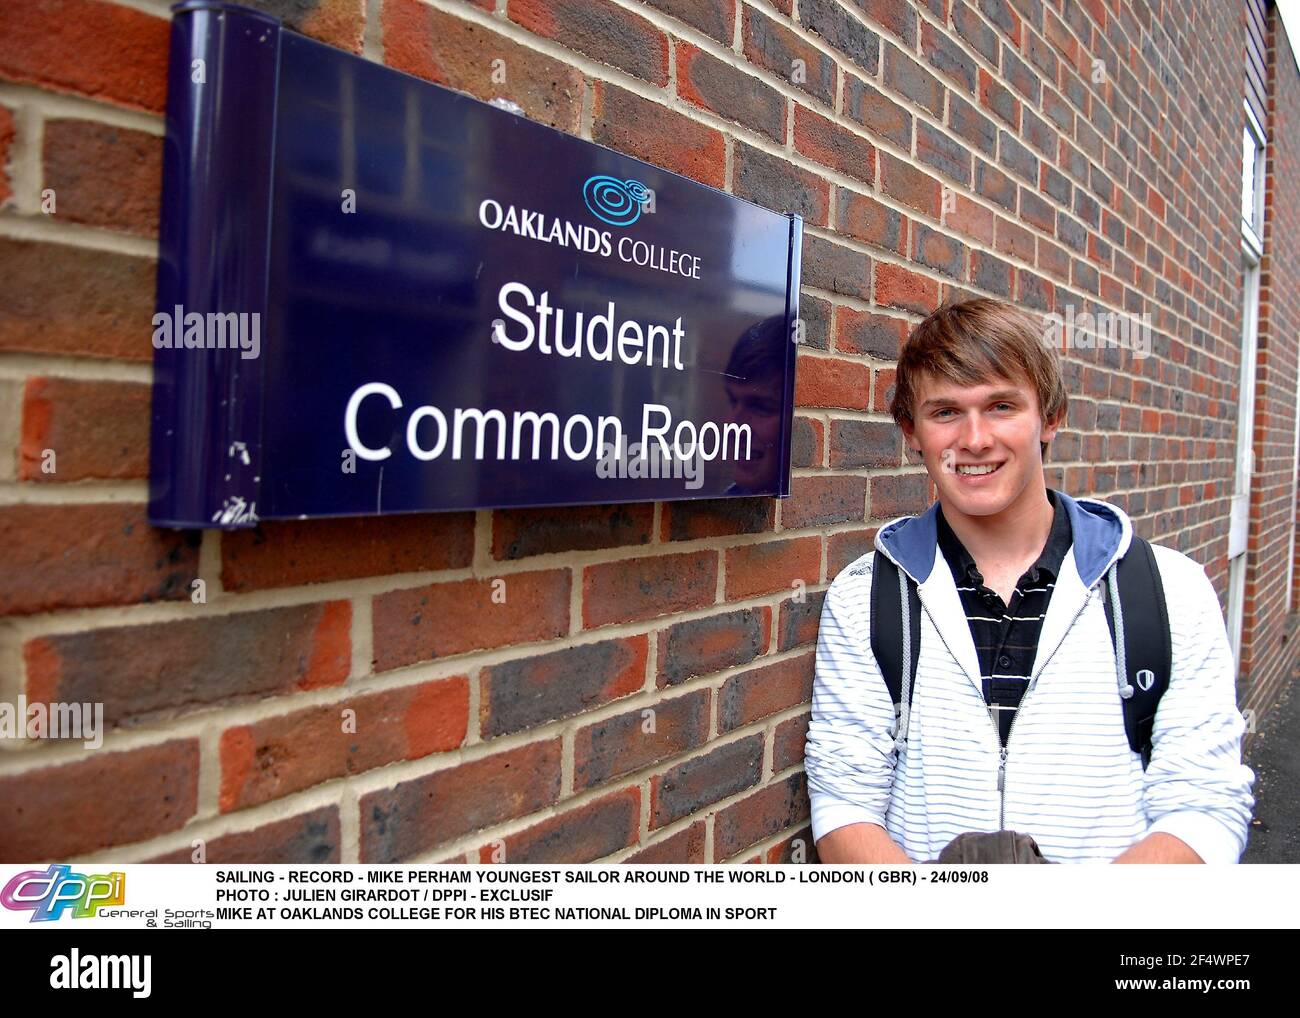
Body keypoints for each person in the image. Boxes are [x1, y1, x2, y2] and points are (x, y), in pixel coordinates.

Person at [805, 298, 1256, 863]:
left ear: (1050, 415)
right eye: (945, 412)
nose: (974, 439)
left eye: (1001, 406)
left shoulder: (1170, 592)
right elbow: (846, 802)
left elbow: (1206, 807)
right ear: (911, 431)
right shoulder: (868, 596)